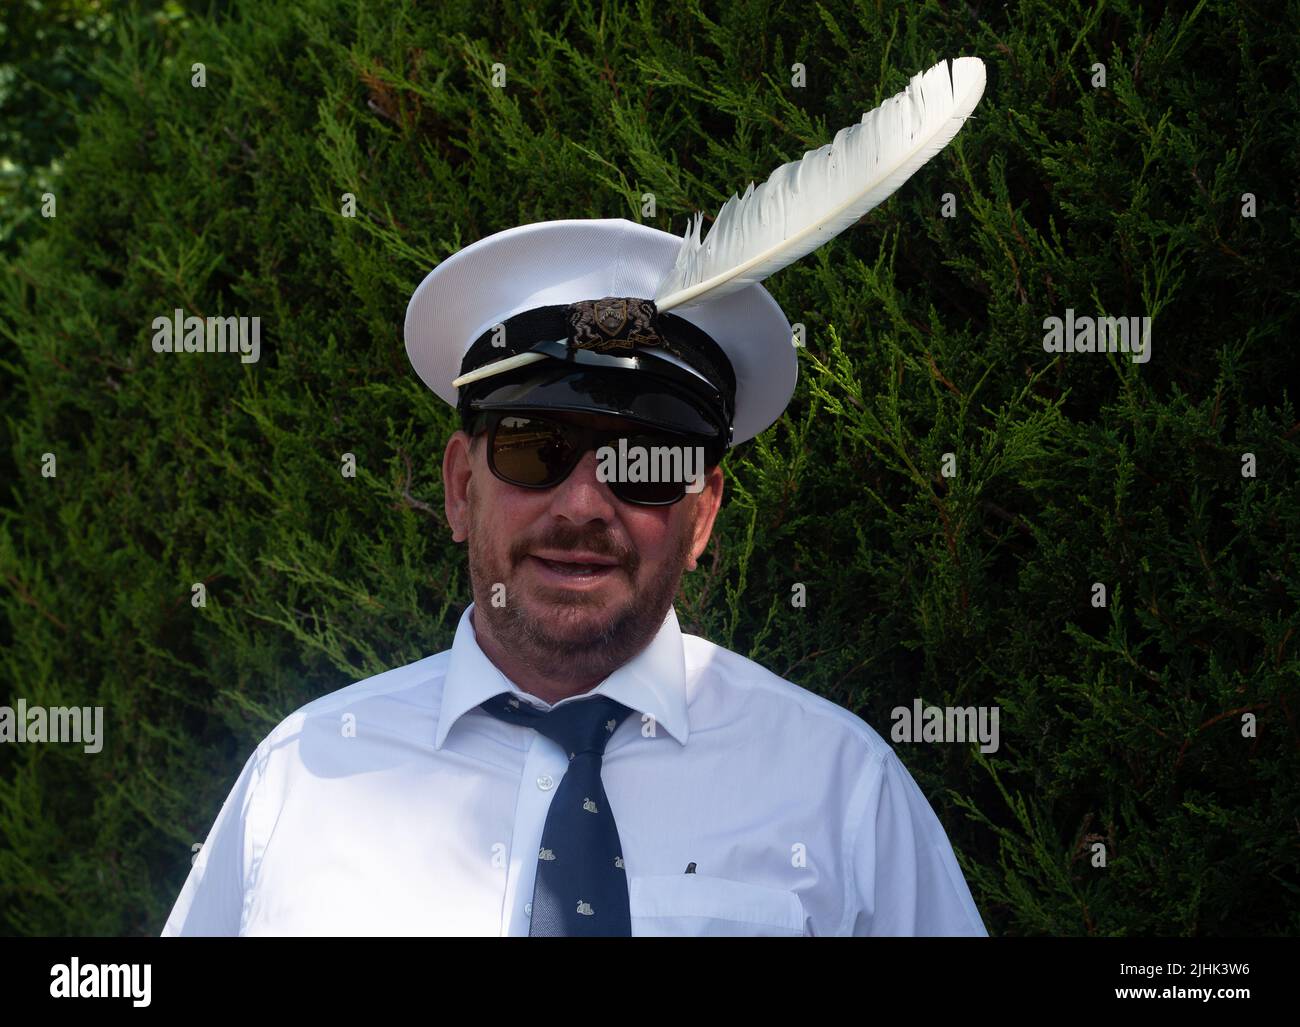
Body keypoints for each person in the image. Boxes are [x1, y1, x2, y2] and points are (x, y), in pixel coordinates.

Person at [160, 217, 988, 936]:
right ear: (458, 487)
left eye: (646, 461)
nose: (584, 503)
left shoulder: (841, 791)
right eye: (534, 446)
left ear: (701, 516)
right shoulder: (302, 781)